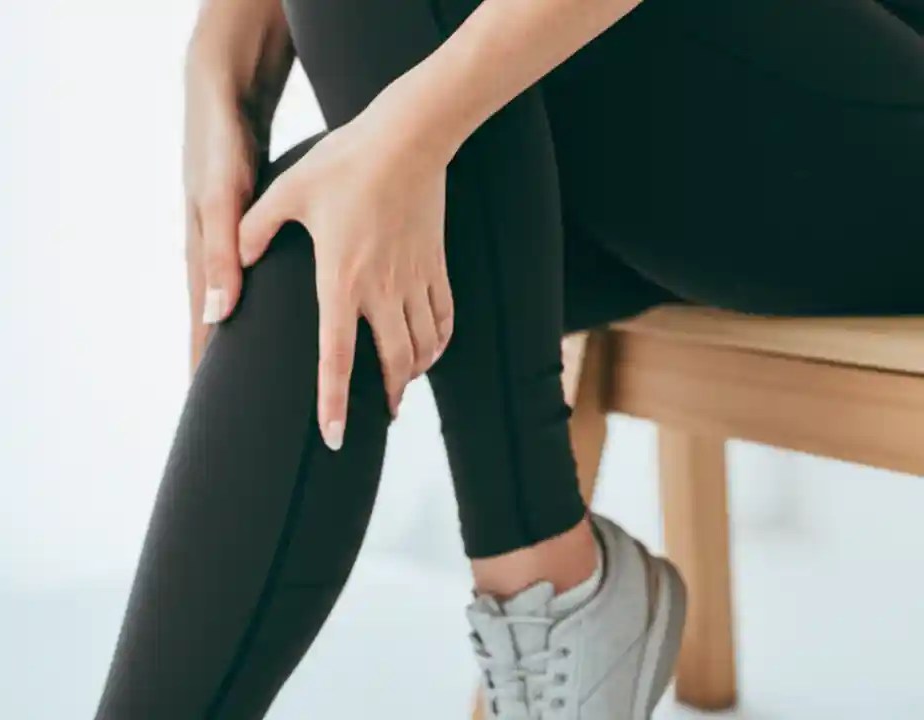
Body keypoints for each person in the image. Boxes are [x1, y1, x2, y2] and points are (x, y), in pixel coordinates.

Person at [96, 0, 924, 716]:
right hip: (694, 153)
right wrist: (217, 71)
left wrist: (405, 139)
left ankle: (545, 574)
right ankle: (555, 590)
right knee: (317, 239)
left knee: (362, 196)